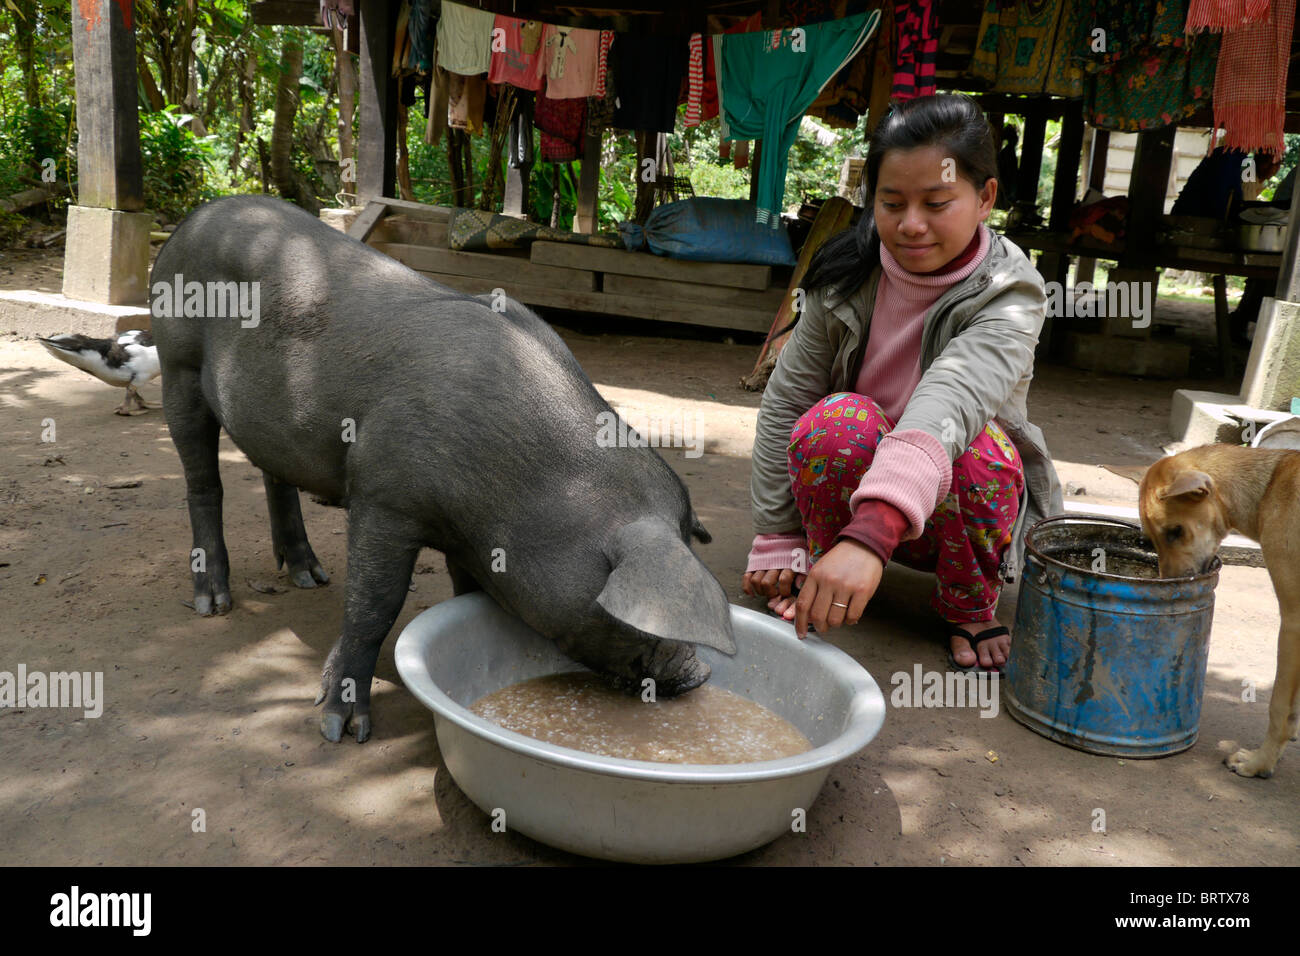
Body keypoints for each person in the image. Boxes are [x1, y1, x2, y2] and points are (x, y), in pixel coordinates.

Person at [742, 93, 1063, 672]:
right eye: (892, 204)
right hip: (857, 497)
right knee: (837, 421)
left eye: (936, 203)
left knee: (980, 450)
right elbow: (787, 400)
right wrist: (777, 532)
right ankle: (819, 561)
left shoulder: (1012, 292)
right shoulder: (844, 274)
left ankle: (967, 601)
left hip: (950, 505)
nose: (911, 225)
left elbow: (948, 407)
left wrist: (869, 535)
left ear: (985, 197)